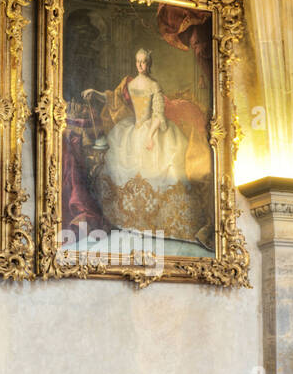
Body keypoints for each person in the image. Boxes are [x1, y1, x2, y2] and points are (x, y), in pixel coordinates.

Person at [83, 47, 211, 243]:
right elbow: (114, 98)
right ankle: (129, 221)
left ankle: (159, 222)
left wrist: (150, 137)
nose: (140, 65)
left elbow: (159, 116)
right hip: (132, 129)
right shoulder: (130, 84)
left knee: (163, 170)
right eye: (138, 61)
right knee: (121, 168)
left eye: (144, 62)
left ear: (149, 64)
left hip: (153, 130)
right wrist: (95, 93)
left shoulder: (154, 86)